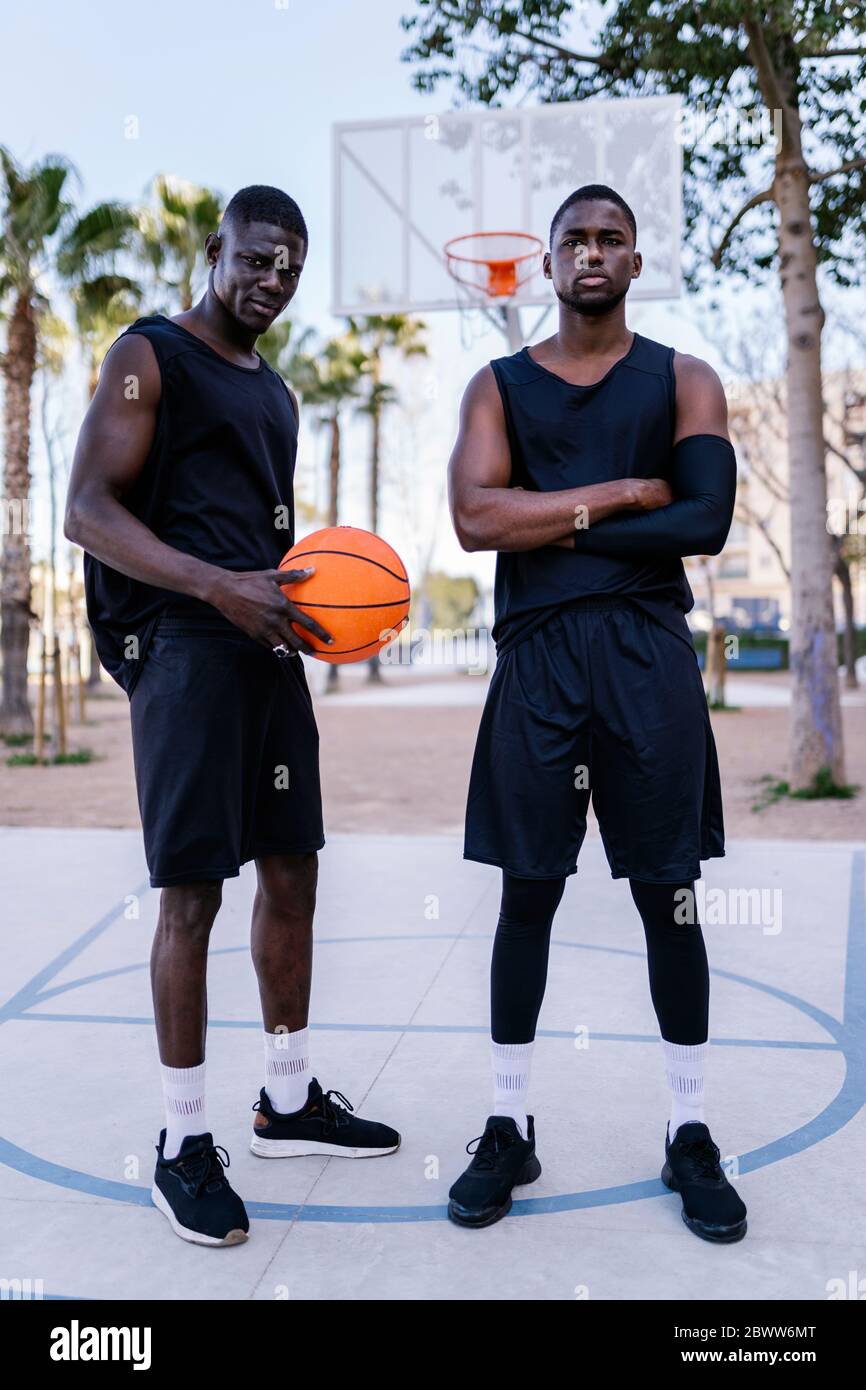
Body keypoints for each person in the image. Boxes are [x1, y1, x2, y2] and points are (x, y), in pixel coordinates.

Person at [64, 185, 400, 1248]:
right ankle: (179, 1143)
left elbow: (273, 550)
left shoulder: (282, 395)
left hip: (264, 650)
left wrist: (317, 607)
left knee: (293, 871)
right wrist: (215, 589)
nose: (272, 280)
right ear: (216, 250)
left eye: (290, 269)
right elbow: (86, 510)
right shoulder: (147, 353)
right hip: (186, 654)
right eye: (256, 259)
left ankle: (288, 1100)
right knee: (191, 899)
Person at [446, 183, 746, 1243]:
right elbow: (474, 520)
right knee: (526, 894)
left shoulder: (684, 377)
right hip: (536, 662)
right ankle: (507, 1119)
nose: (589, 252)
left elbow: (704, 519)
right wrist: (618, 497)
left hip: (645, 657)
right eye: (572, 237)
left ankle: (688, 1129)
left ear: (633, 261)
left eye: (609, 238)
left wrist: (549, 526)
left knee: (668, 895)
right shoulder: (496, 386)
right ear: (547, 263)